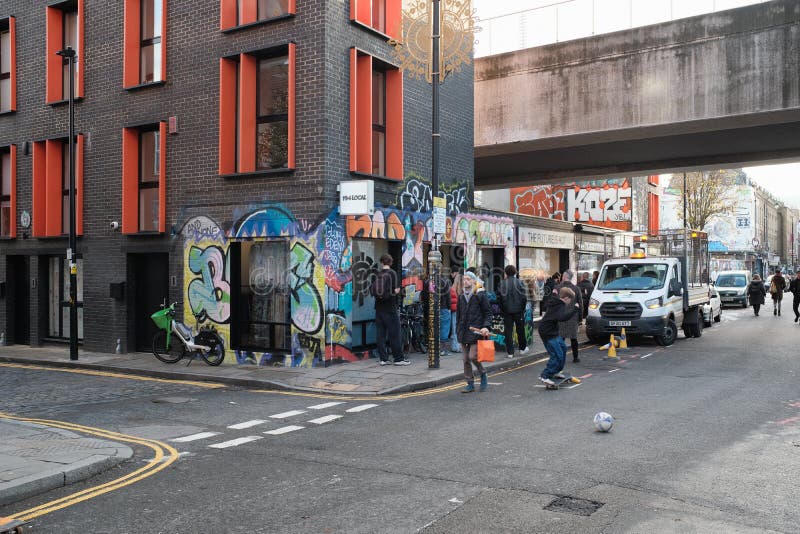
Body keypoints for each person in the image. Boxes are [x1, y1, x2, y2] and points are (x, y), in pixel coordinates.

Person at [370, 254, 410, 366]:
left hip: (378, 308)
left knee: (380, 334)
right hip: (390, 308)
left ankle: (383, 359)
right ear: (390, 262)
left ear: (382, 262)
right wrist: (395, 292)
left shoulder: (378, 274)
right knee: (395, 334)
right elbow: (397, 290)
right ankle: (398, 359)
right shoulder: (392, 273)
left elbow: (373, 290)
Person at [456, 271, 492, 393]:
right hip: (463, 331)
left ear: (473, 281)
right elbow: (459, 315)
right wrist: (457, 329)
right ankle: (470, 383)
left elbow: (488, 312)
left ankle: (482, 373)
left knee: (472, 356)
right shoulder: (461, 296)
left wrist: (486, 326)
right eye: (464, 279)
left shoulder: (480, 294)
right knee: (465, 359)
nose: (465, 281)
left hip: (476, 331)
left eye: (468, 279)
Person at [538, 286, 580, 386]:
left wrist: (554, 293)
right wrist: (575, 309)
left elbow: (551, 298)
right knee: (556, 354)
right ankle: (545, 375)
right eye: (570, 300)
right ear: (566, 298)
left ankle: (555, 371)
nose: (570, 302)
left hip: (552, 331)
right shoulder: (560, 305)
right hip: (548, 332)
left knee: (563, 348)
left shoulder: (556, 301)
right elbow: (562, 317)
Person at [497, 265, 529, 358]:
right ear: (515, 272)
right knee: (520, 330)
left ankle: (510, 352)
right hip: (518, 310)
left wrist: (503, 309)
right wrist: (522, 309)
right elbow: (524, 298)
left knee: (508, 331)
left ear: (506, 272)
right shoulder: (520, 283)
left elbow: (499, 298)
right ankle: (522, 349)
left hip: (507, 311)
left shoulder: (502, 283)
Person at [558, 270, 583, 363]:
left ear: (564, 276)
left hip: (561, 316)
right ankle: (575, 358)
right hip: (573, 317)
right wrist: (580, 319)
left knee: (561, 338)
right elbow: (580, 304)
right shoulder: (576, 289)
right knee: (574, 338)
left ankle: (560, 357)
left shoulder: (558, 287)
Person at [434, 270, 452, 356]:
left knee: (435, 327)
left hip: (433, 308)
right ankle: (443, 349)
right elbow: (448, 295)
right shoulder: (445, 281)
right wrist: (449, 307)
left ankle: (435, 349)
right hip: (444, 307)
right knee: (445, 327)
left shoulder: (430, 281)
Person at [450, 271, 463, 352]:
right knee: (460, 328)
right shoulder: (464, 290)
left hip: (454, 310)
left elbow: (451, 301)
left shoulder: (452, 289)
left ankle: (455, 346)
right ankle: (460, 346)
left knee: (454, 328)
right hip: (462, 310)